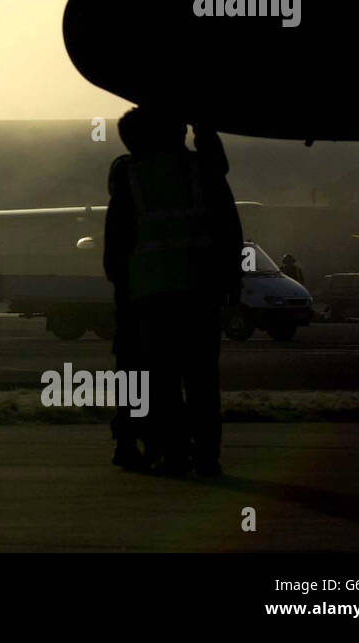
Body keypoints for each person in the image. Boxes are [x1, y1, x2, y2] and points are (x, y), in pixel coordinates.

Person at [103, 109, 242, 477]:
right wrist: (231, 282)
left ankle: (174, 454)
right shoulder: (202, 171)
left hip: (151, 295)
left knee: (160, 380)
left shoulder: (130, 176)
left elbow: (115, 246)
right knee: (202, 381)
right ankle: (208, 456)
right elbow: (229, 226)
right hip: (200, 291)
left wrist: (123, 292)